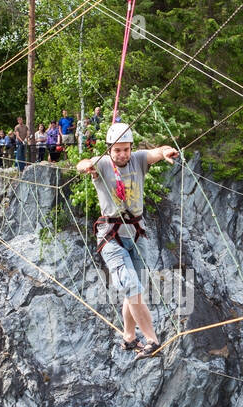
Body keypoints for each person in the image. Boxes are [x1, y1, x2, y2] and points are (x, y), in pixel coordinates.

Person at [76, 122, 179, 358]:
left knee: (134, 292)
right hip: (111, 237)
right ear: (109, 149)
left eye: (126, 149)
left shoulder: (138, 159)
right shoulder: (101, 164)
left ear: (131, 148)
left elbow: (157, 151)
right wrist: (87, 166)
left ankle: (129, 337)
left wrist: (165, 152)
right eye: (117, 150)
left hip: (136, 232)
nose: (122, 154)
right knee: (132, 286)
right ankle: (152, 340)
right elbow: (82, 164)